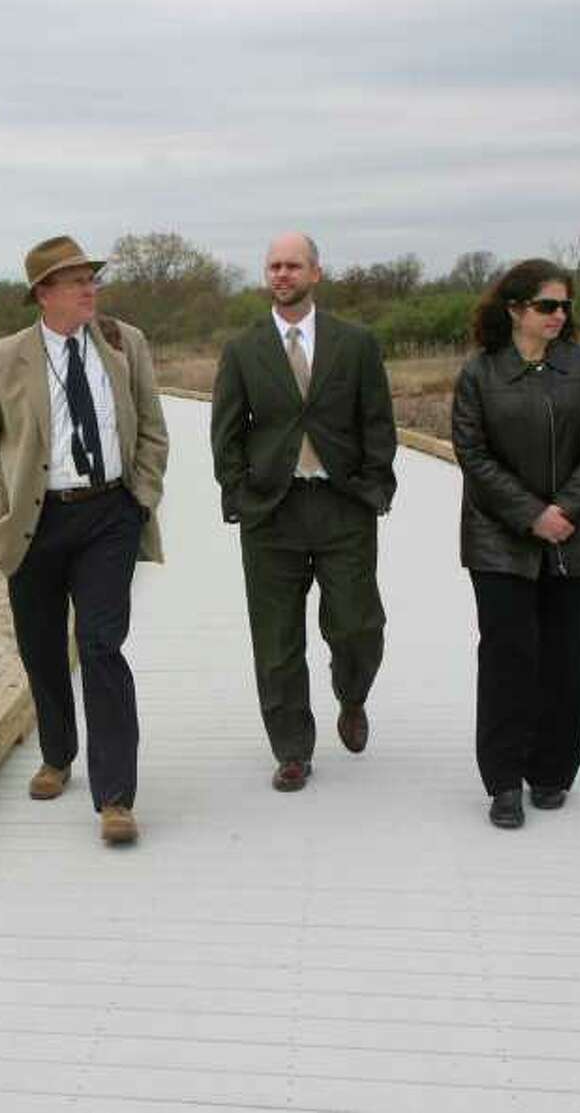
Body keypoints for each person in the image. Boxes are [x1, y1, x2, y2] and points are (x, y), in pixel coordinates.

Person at [0, 235, 170, 845]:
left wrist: (140, 499)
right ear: (43, 294)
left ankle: (116, 797)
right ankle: (57, 754)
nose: (90, 289)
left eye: (92, 278)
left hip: (109, 516)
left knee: (102, 646)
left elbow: (153, 429)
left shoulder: (127, 343)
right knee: (42, 647)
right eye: (75, 281)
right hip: (35, 524)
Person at [210, 232, 397, 791]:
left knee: (359, 625)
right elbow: (226, 433)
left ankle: (353, 694)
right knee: (276, 641)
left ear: (316, 272)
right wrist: (240, 494)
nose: (282, 275)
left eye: (293, 266)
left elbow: (378, 422)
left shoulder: (356, 343)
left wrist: (373, 486)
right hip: (273, 512)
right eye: (273, 267)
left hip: (343, 507)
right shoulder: (242, 350)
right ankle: (292, 749)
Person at [451, 258, 580, 829]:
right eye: (548, 305)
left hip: (572, 538)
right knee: (507, 658)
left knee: (565, 657)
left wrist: (565, 511)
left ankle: (553, 771)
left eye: (565, 305)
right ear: (515, 308)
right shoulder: (480, 374)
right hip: (499, 539)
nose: (559, 315)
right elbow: (472, 455)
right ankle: (502, 780)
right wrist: (530, 515)